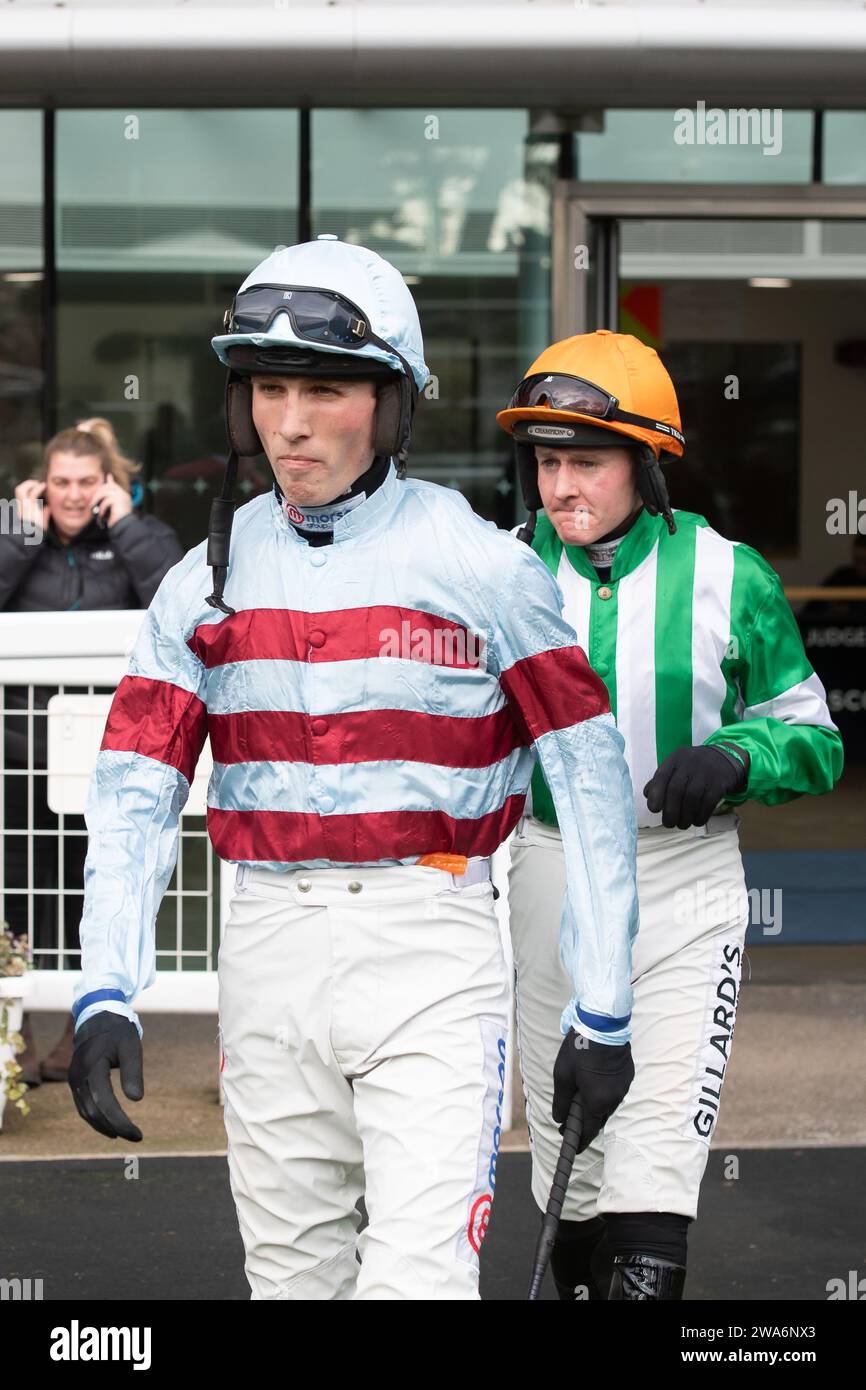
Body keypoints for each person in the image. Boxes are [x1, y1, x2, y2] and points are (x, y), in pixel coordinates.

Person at [66, 236, 640, 1301]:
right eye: (268, 389)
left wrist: (602, 1005)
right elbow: (137, 788)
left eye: (324, 390)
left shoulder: (486, 567)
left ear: (391, 405)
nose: (289, 423)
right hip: (268, 948)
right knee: (290, 1281)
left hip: (433, 946)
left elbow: (590, 778)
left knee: (418, 1282)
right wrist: (107, 985)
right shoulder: (199, 582)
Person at [497, 330, 844, 1300]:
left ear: (647, 465)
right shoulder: (501, 572)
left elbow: (812, 736)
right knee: (572, 1171)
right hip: (547, 872)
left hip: (685, 881)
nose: (560, 486)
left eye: (586, 463)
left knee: (651, 1183)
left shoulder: (732, 575)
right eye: (545, 463)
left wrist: (738, 756)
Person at [0, 419, 183, 1085]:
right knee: (16, 888)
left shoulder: (137, 532)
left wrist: (126, 524)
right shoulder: (15, 531)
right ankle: (14, 1030)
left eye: (85, 482)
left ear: (106, 484)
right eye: (61, 483)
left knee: (91, 883)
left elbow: (174, 600)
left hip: (104, 749)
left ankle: (79, 1029)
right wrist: (22, 535)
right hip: (19, 748)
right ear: (39, 486)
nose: (73, 495)